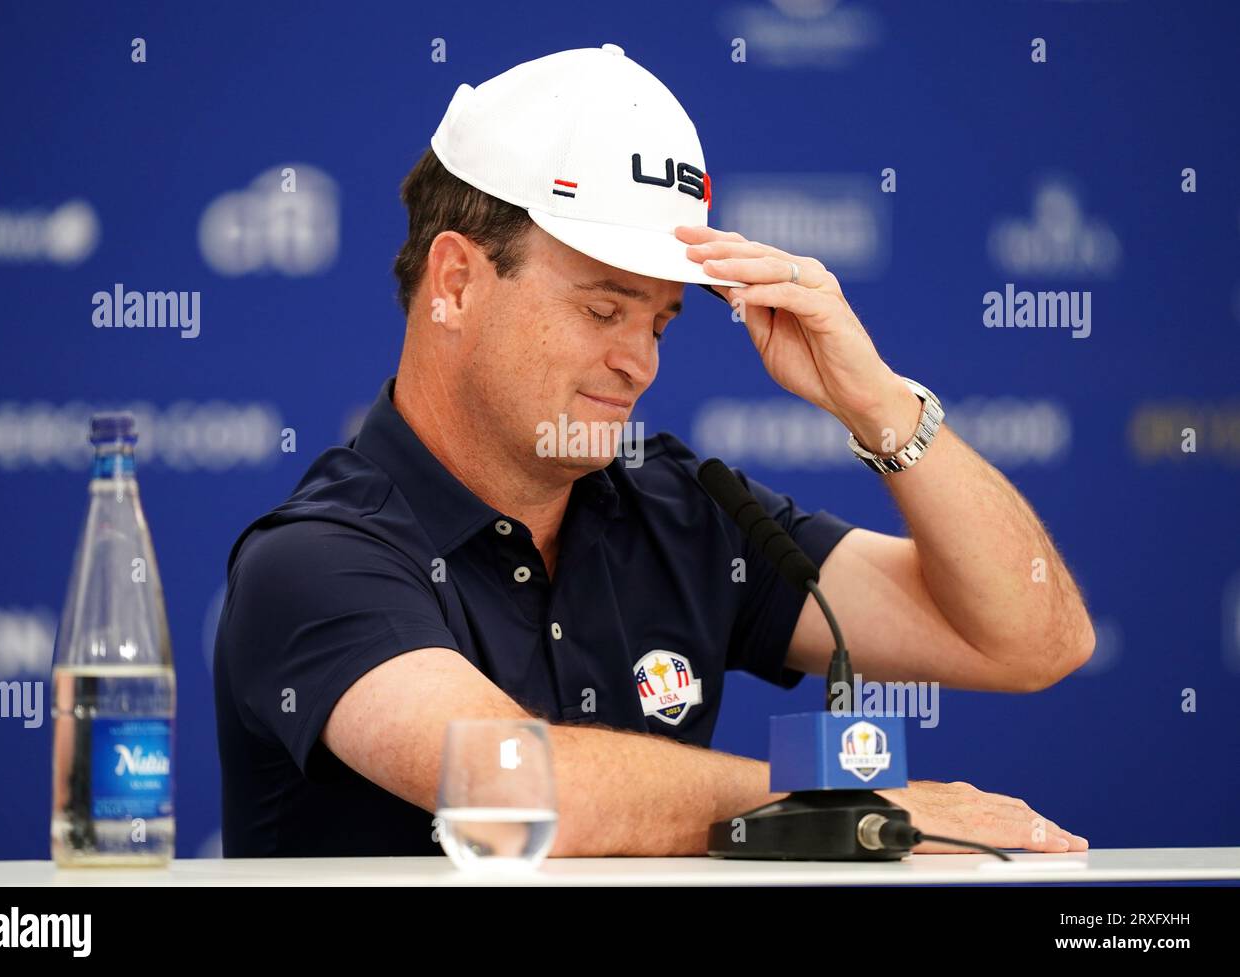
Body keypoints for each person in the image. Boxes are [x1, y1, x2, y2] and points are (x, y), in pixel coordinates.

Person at [214, 44, 1095, 858]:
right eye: (603, 310)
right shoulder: (315, 557)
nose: (640, 362)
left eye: (661, 322)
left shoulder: (682, 509)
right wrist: (845, 801)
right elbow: (507, 791)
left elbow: (1030, 642)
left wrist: (879, 403)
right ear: (455, 283)